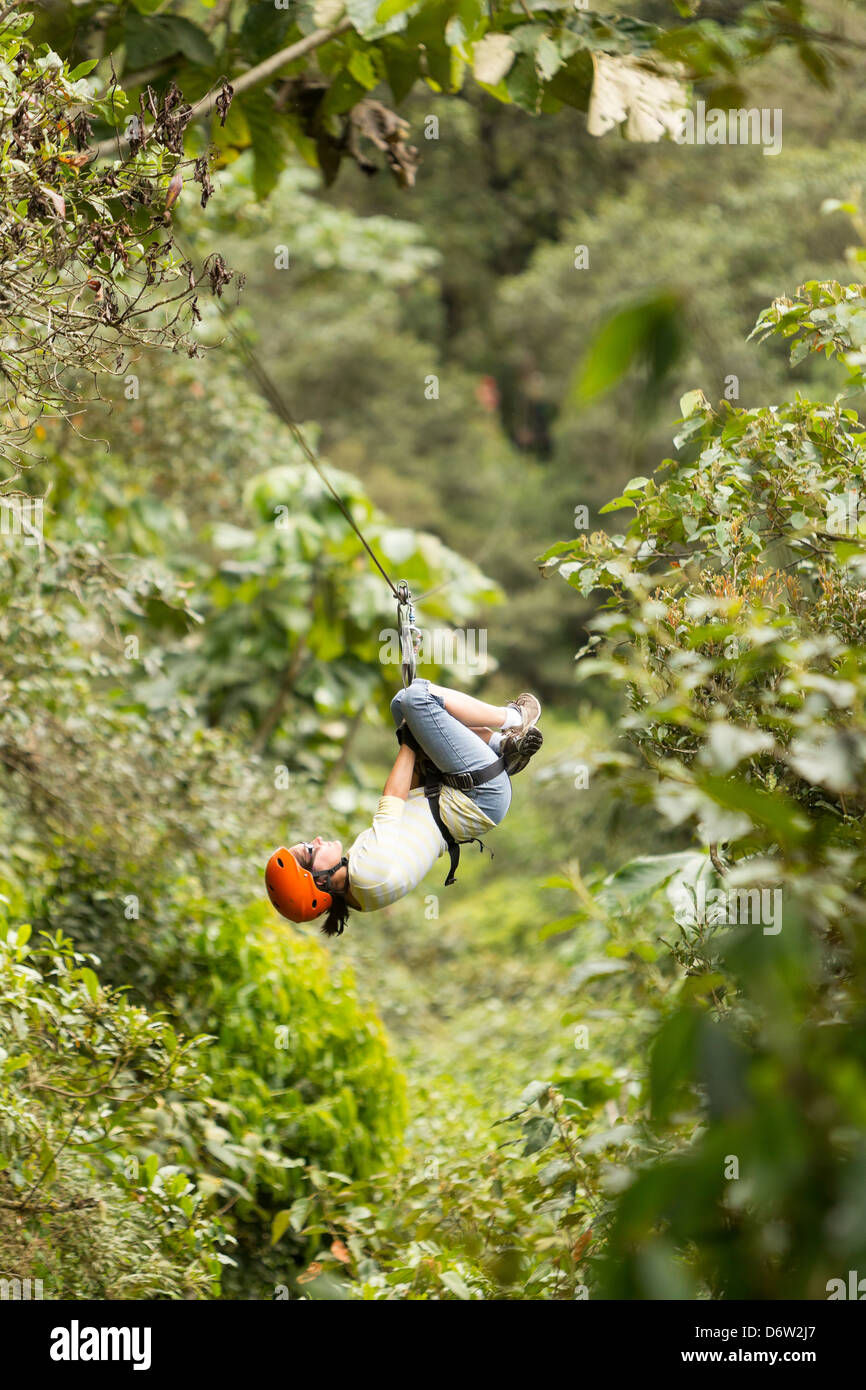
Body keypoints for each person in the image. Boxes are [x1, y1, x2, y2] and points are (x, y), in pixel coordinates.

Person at [265, 677, 543, 936]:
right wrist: (409, 740)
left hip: (457, 793)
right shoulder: (365, 875)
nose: (316, 841)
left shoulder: (355, 886)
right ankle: (516, 719)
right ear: (321, 881)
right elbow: (394, 801)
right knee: (416, 698)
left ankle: (505, 747)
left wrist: (411, 734)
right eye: (310, 851)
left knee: (401, 704)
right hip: (477, 794)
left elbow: (411, 798)